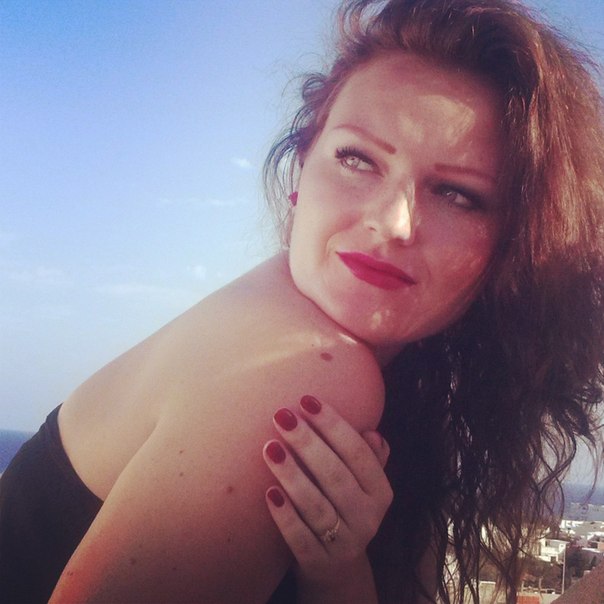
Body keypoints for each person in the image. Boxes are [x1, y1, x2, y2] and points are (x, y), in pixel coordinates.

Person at [1, 0, 603, 602]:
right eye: (357, 158)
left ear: (511, 248)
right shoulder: (308, 367)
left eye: (457, 194)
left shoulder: (411, 390)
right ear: (300, 171)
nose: (393, 222)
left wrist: (337, 570)